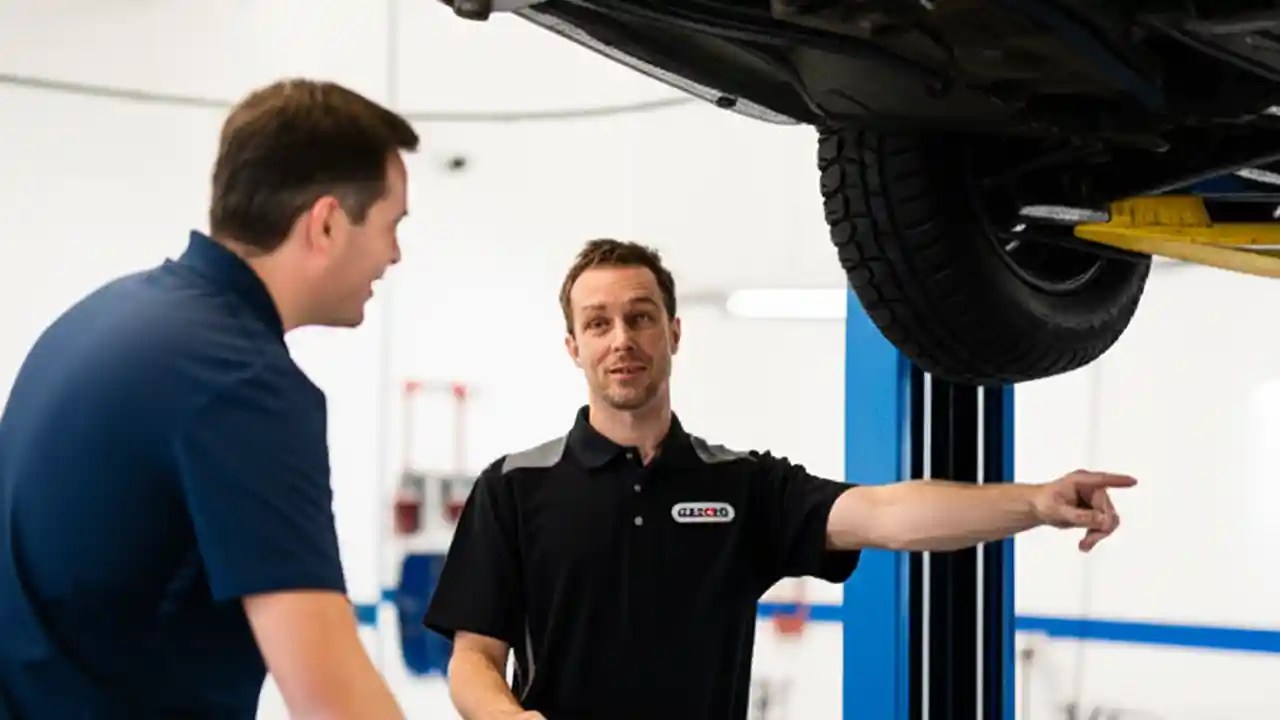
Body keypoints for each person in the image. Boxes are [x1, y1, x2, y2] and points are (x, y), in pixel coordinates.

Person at [423, 238, 1137, 720]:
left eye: (640, 318)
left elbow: (887, 514)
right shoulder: (515, 487)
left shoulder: (742, 488)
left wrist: (1036, 502)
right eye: (600, 323)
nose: (622, 340)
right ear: (574, 346)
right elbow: (474, 659)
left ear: (673, 332)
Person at [0, 79, 416, 720]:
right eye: (392, 226)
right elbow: (332, 700)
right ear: (327, 223)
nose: (394, 255)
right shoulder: (241, 383)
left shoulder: (100, 318)